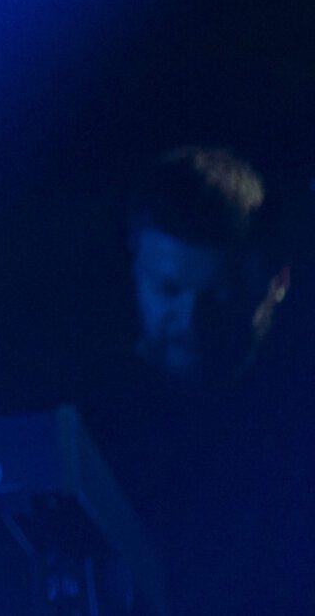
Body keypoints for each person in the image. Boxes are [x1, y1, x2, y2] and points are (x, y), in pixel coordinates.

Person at [77, 145, 313, 614]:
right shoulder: (89, 418)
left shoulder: (300, 418)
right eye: (167, 290)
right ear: (135, 268)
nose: (191, 320)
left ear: (277, 283)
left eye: (220, 296)